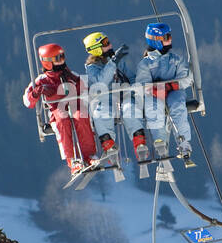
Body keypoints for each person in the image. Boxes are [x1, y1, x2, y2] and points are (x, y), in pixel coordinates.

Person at [22, 43, 96, 176]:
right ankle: (72, 161)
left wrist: (81, 86)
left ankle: (88, 156)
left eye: (62, 56)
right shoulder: (41, 80)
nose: (62, 60)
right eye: (57, 58)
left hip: (75, 106)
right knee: (62, 120)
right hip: (57, 111)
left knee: (81, 116)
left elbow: (86, 90)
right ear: (47, 62)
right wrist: (36, 92)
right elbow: (27, 102)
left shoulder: (70, 75)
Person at [82, 31, 148, 163]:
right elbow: (100, 82)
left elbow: (129, 76)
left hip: (124, 93)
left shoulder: (118, 62)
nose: (110, 45)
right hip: (107, 98)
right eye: (105, 43)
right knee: (101, 113)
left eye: (108, 41)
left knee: (130, 109)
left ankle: (139, 142)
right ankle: (109, 145)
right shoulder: (92, 68)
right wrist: (113, 62)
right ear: (96, 49)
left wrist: (137, 87)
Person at [134, 23, 193, 163]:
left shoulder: (176, 59)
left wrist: (171, 85)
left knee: (178, 104)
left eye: (170, 36)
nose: (170, 39)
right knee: (153, 107)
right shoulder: (146, 63)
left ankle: (184, 141)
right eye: (166, 37)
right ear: (156, 40)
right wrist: (155, 89)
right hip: (155, 95)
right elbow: (142, 85)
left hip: (174, 92)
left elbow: (187, 78)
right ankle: (159, 141)